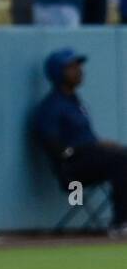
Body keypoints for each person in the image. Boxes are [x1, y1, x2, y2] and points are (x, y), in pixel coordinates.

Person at [32, 49, 127, 236]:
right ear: (58, 72)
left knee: (121, 156)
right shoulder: (51, 107)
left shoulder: (75, 102)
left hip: (92, 159)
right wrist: (80, 151)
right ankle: (120, 222)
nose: (79, 71)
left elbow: (86, 138)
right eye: (72, 67)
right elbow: (54, 146)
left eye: (78, 66)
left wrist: (100, 146)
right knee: (120, 161)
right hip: (72, 169)